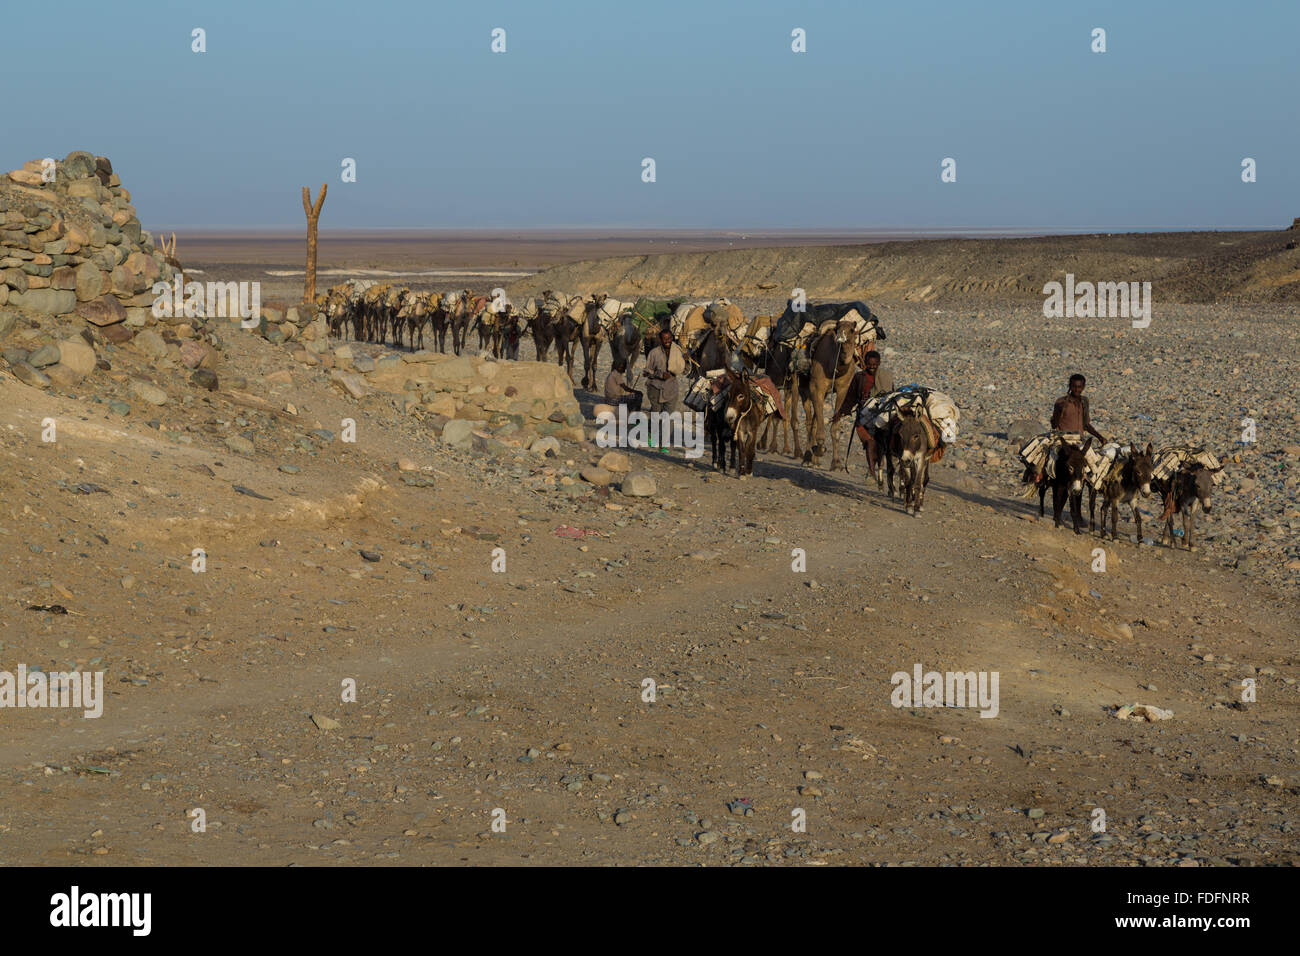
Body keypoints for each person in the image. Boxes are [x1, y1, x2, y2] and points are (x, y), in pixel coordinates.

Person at [831, 350, 895, 474]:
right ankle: (871, 472)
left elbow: (892, 395)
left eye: (875, 364)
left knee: (886, 443)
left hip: (883, 415)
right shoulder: (859, 377)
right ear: (865, 363)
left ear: (879, 363)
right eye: (869, 364)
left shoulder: (886, 376)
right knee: (869, 443)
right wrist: (840, 413)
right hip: (865, 416)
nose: (872, 367)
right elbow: (850, 397)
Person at [643, 328, 685, 413]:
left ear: (672, 338)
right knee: (656, 415)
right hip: (655, 389)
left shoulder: (678, 352)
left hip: (671, 389)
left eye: (669, 338)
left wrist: (686, 361)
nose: (667, 341)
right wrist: (660, 375)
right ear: (660, 340)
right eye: (664, 339)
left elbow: (685, 371)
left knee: (668, 418)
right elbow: (646, 372)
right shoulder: (654, 353)